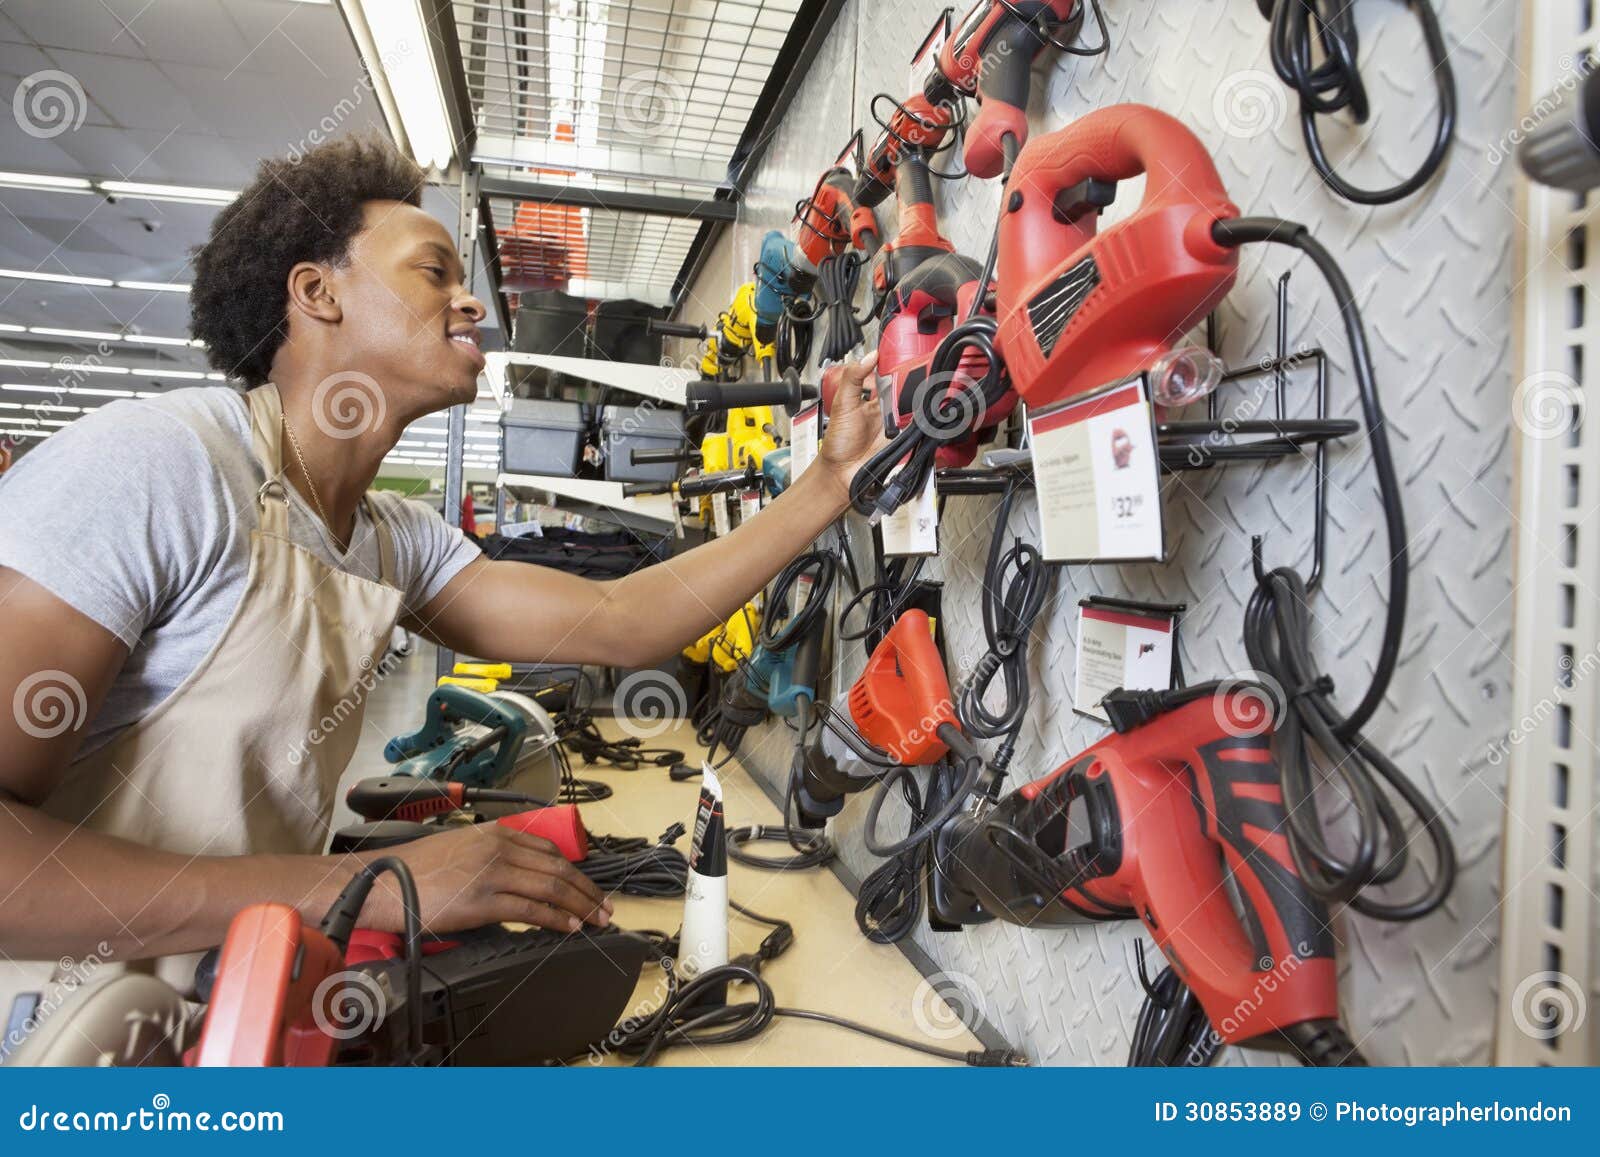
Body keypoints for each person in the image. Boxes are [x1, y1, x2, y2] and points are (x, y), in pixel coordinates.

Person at [0, 135, 884, 1028]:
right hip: (48, 1037)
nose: (470, 300)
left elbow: (619, 620)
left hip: (226, 1018)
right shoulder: (160, 466)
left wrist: (828, 484)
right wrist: (364, 885)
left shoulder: (391, 541)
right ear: (318, 292)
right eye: (434, 271)